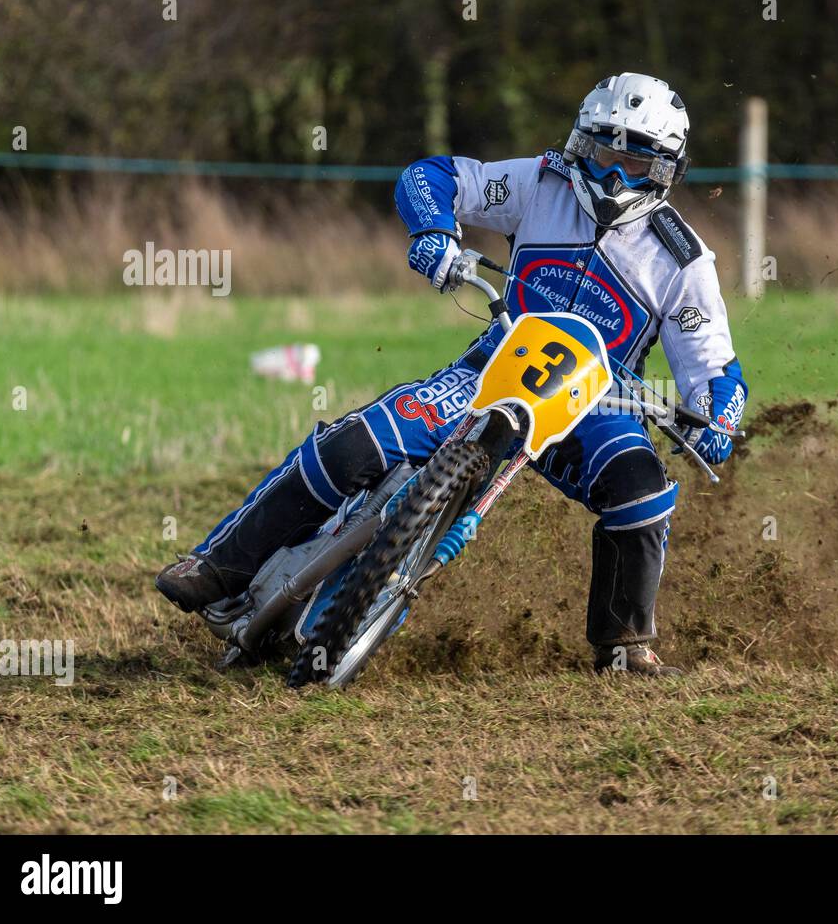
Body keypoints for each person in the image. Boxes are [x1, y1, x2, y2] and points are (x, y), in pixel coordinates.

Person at [156, 72, 747, 676]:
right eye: (602, 154)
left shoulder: (683, 260)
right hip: (490, 370)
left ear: (666, 171)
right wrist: (435, 232)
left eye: (635, 164)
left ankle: (624, 646)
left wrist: (715, 419)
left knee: (643, 489)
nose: (614, 176)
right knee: (355, 442)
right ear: (579, 144)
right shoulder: (539, 183)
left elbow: (717, 371)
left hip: (594, 406)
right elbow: (431, 176)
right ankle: (220, 566)